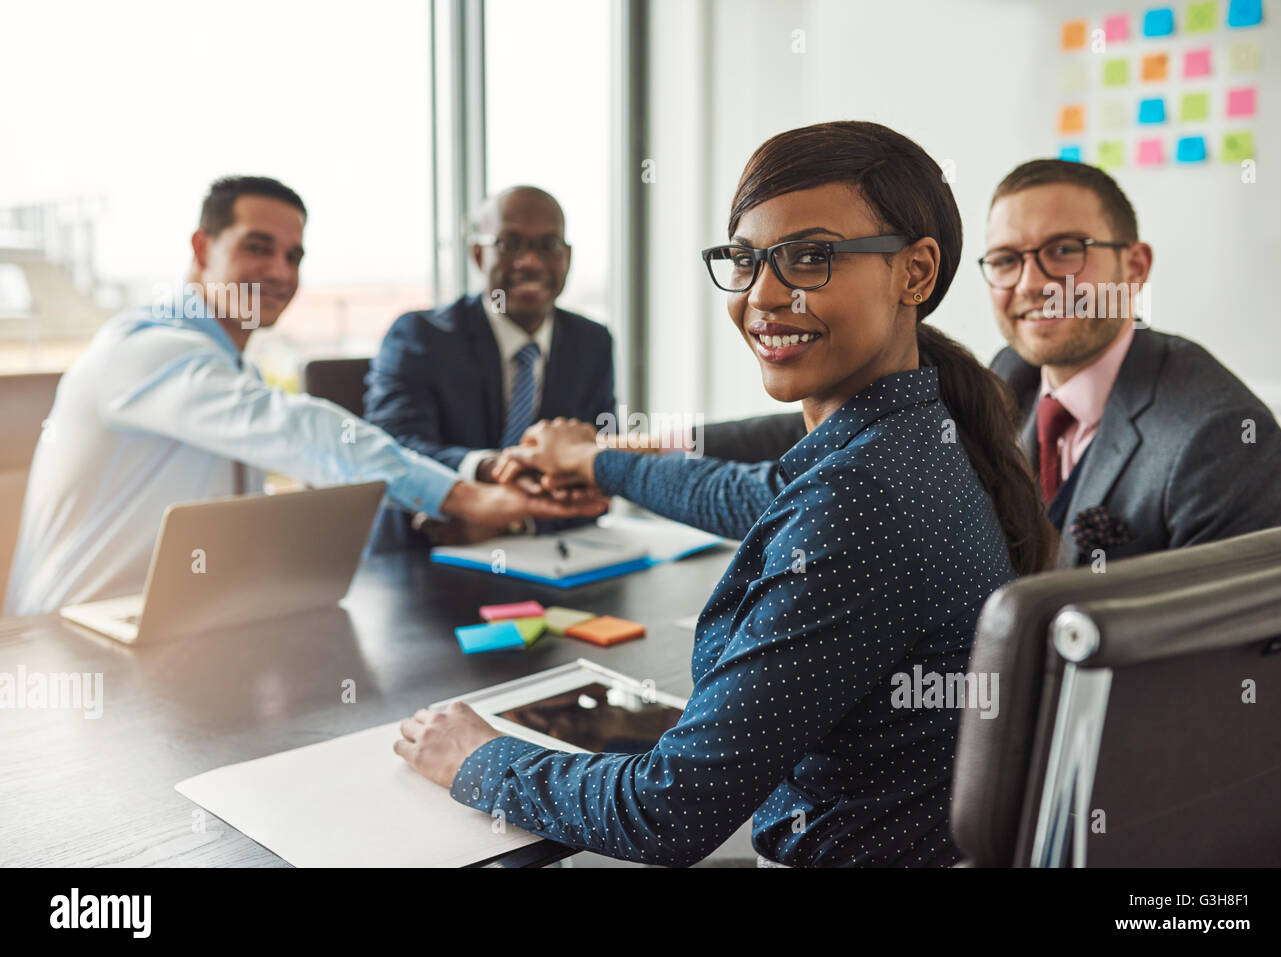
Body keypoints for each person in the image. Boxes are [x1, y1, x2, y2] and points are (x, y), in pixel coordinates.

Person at [394, 121, 1055, 867]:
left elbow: (662, 813)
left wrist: (479, 758)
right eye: (745, 261)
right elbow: (751, 493)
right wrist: (598, 461)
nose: (764, 297)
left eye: (811, 258)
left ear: (916, 272)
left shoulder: (862, 495)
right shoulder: (914, 433)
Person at [4, 176, 604, 617]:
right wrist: (464, 493)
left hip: (176, 632)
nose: (281, 271)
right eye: (256, 247)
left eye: (294, 255)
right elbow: (297, 428)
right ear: (200, 248)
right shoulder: (145, 349)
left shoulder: (227, 369)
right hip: (66, 642)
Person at [981, 159, 1281, 567]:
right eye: (1006, 260)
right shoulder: (1008, 375)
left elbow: (1234, 628)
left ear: (1134, 267)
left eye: (1064, 251)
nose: (1029, 284)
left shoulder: (1220, 438)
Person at [363, 186, 614, 550]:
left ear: (568, 257)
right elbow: (395, 449)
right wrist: (490, 467)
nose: (530, 262)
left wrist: (510, 523)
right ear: (478, 254)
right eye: (509, 244)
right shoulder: (420, 337)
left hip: (545, 558)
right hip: (425, 554)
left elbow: (600, 470)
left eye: (549, 245)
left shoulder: (592, 343)